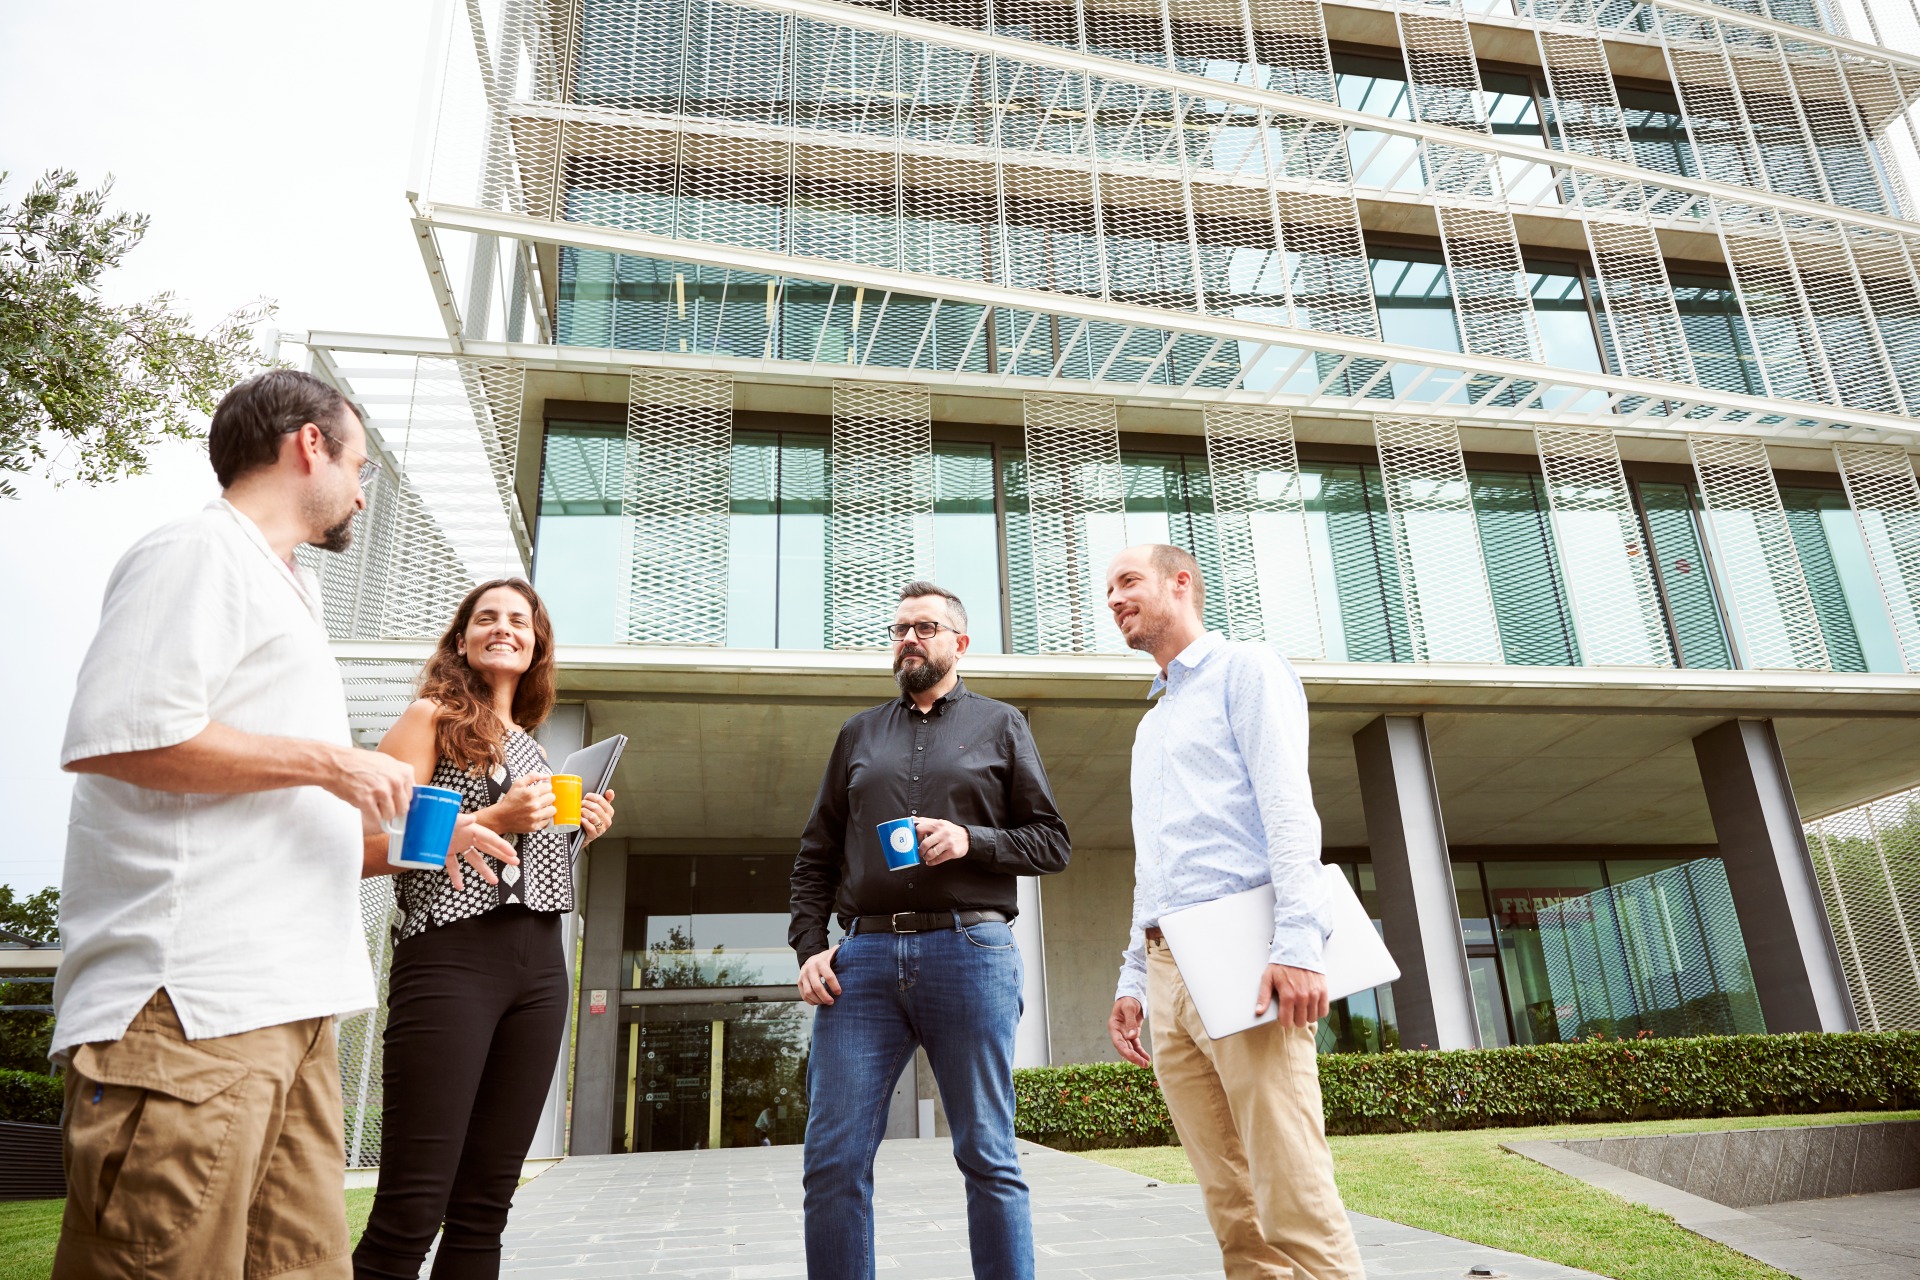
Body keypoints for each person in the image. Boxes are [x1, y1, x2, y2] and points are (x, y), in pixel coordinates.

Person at [51, 369, 519, 1279]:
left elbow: (295, 835)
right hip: (191, 1013)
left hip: (297, 1015)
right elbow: (118, 737)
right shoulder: (196, 552)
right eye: (358, 465)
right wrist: (333, 762)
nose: (361, 490)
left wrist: (424, 841)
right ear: (310, 445)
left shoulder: (290, 594)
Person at [790, 581, 1072, 1280]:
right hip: (865, 961)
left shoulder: (1003, 724)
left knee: (988, 1153)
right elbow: (816, 854)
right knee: (831, 1160)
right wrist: (808, 947)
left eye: (923, 627)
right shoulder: (858, 734)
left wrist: (971, 839)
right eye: (898, 629)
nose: (908, 639)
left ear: (958, 643)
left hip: (970, 952)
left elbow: (1052, 843)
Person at [1104, 545, 1364, 1280]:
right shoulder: (1150, 726)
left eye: (1128, 583)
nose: (1114, 599)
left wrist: (1301, 942)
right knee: (1232, 1208)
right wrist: (1131, 978)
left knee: (1292, 1196)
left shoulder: (1246, 669)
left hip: (1245, 953)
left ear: (1180, 583)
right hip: (1166, 967)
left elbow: (1288, 811)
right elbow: (1149, 862)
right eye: (1109, 590)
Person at [352, 578, 615, 1279]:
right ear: (462, 639)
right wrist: (493, 820)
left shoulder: (531, 748)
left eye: (520, 621)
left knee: (484, 1207)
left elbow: (517, 863)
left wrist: (575, 833)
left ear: (537, 645)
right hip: (449, 958)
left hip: (539, 968)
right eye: (487, 618)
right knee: (412, 1205)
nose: (505, 628)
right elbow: (360, 844)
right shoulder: (429, 718)